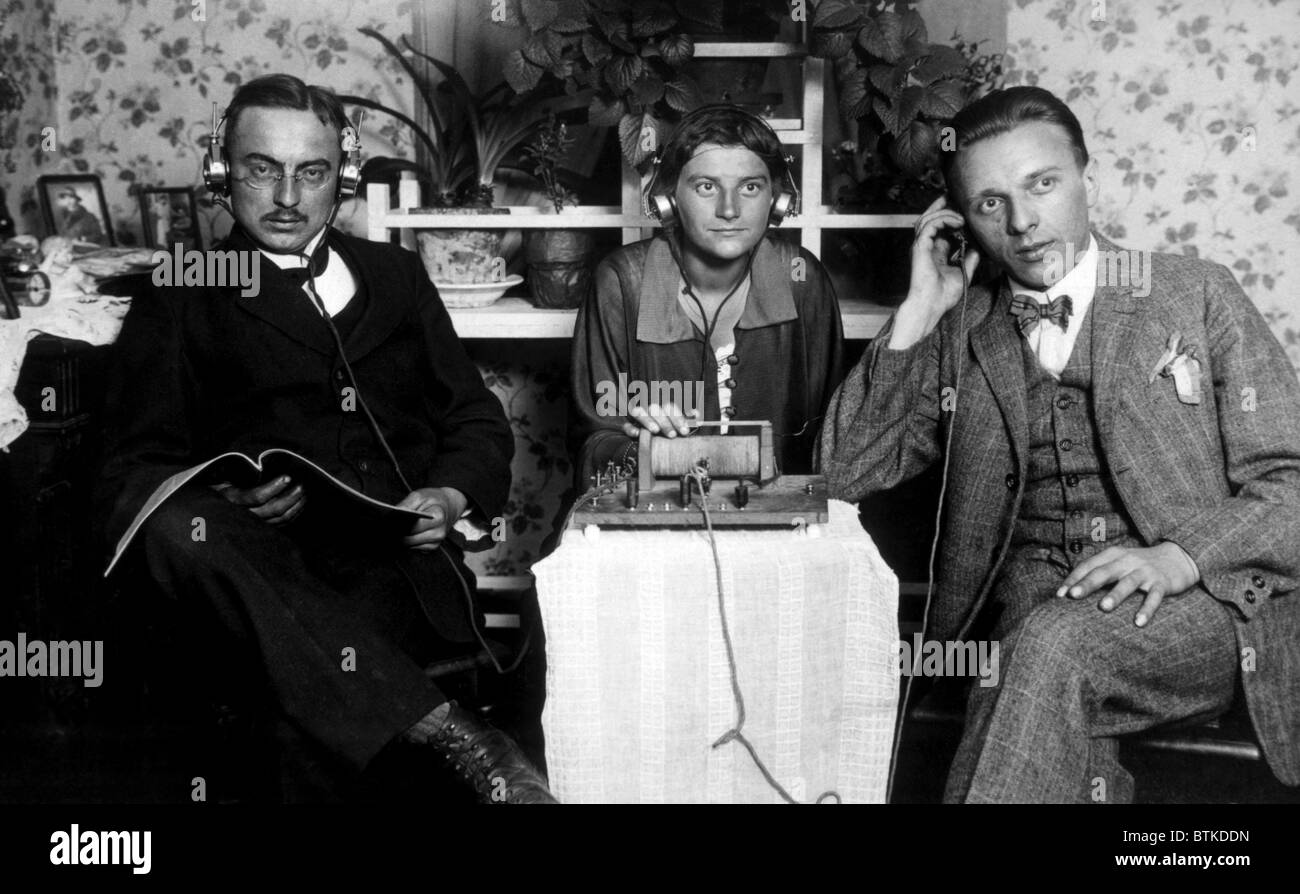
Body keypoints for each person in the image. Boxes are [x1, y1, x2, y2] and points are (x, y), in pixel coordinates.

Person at [820, 86, 1300, 803]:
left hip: (1205, 607)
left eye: (1042, 184)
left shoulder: (1196, 295)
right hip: (1026, 617)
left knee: (1046, 647)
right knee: (1028, 662)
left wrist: (1180, 556)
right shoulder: (959, 328)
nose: (1022, 221)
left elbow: (1291, 487)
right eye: (989, 203)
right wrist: (920, 306)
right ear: (965, 222)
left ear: (1088, 182)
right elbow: (842, 469)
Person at [97, 74, 556, 804]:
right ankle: (454, 732)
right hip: (260, 570)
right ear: (222, 173)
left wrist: (447, 492)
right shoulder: (178, 289)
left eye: (310, 173)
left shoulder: (397, 276)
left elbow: (474, 417)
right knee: (179, 529)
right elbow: (130, 468)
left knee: (305, 695)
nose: (286, 197)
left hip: (391, 566)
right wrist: (224, 493)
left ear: (340, 179)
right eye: (261, 169)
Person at [570, 104, 843, 483]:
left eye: (750, 187)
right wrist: (646, 445)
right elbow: (594, 443)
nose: (729, 210)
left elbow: (832, 435)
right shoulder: (621, 281)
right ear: (667, 199)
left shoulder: (800, 278)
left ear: (778, 202)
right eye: (706, 186)